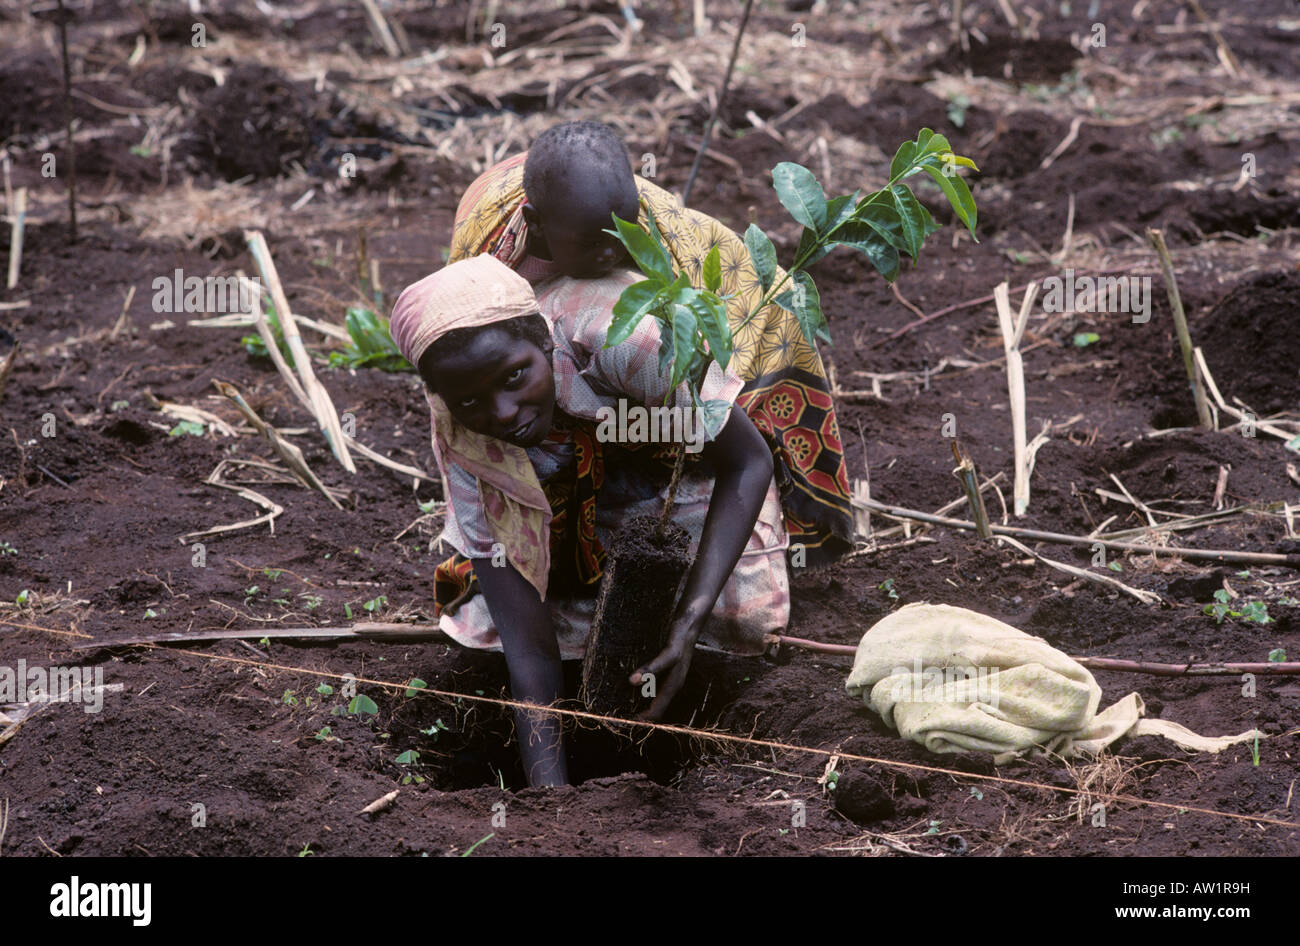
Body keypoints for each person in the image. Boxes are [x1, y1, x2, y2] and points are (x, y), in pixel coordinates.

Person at [390, 255, 786, 787]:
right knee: (502, 633)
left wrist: (690, 622)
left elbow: (747, 461)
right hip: (573, 499)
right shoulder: (463, 438)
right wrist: (550, 797)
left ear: (545, 342)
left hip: (680, 474)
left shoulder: (629, 342)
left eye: (515, 376)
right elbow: (527, 642)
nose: (502, 412)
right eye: (469, 399)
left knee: (738, 622)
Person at [449, 120, 855, 567]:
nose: (613, 251)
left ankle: (771, 530)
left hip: (731, 326)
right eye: (593, 243)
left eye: (624, 232)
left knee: (703, 415)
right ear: (537, 226)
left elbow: (696, 371)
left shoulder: (665, 243)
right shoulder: (486, 265)